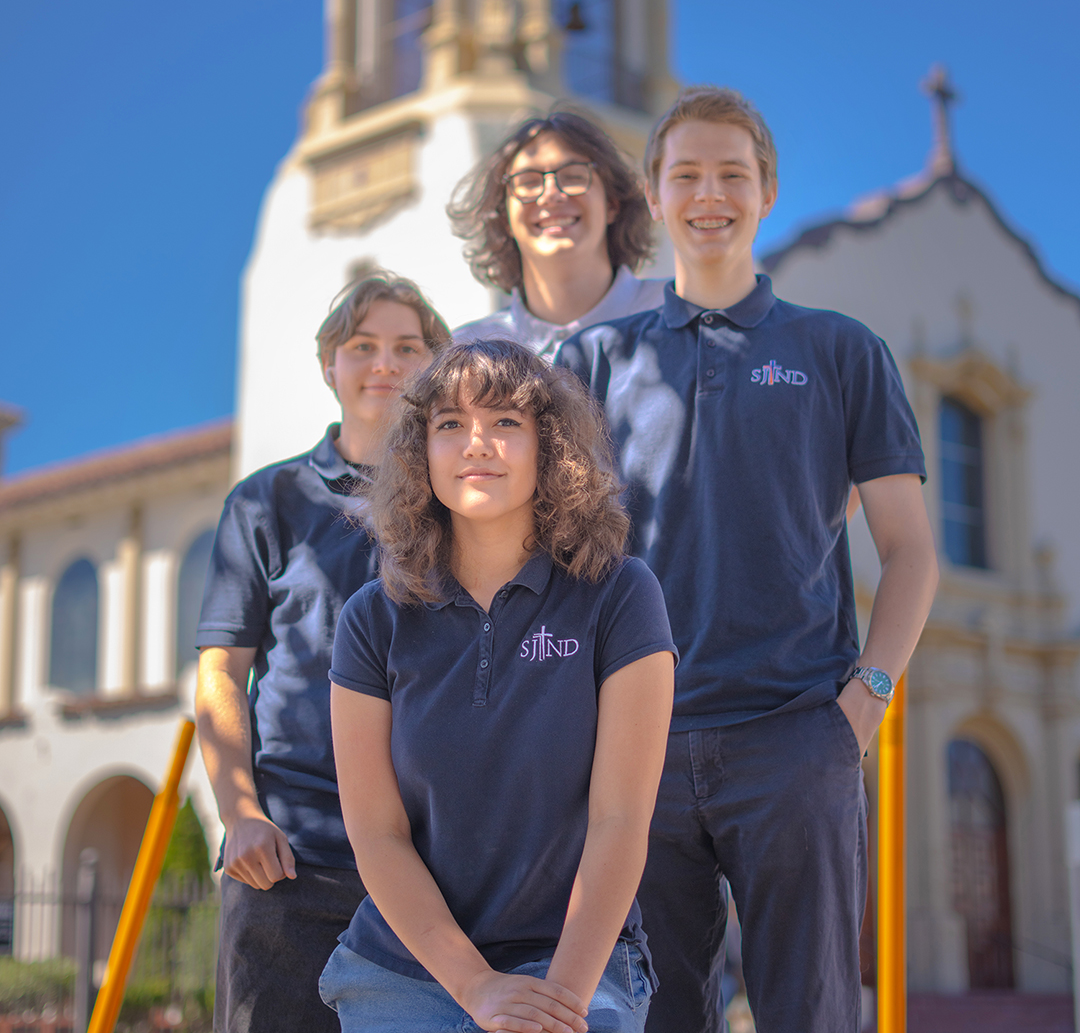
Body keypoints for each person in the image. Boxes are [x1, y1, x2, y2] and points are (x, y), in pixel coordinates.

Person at [556, 87, 940, 1033]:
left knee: (810, 1013)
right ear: (652, 195)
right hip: (636, 755)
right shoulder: (594, 362)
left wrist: (865, 702)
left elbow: (911, 552)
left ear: (767, 191)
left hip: (796, 739)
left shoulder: (843, 351)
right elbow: (559, 561)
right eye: (686, 173)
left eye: (733, 173)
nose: (709, 193)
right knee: (652, 1017)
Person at [320, 339, 677, 1033]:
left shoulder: (621, 596)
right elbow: (377, 833)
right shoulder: (371, 618)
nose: (475, 444)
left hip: (578, 964)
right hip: (406, 967)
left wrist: (558, 1007)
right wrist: (478, 988)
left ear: (551, 446)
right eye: (450, 424)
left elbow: (619, 822)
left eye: (506, 422)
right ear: (421, 452)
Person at [194, 272, 451, 1033]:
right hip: (290, 861)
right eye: (362, 345)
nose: (384, 363)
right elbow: (220, 676)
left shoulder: (460, 509)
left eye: (408, 347)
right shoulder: (265, 503)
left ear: (435, 365)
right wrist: (239, 813)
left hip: (431, 864)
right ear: (328, 366)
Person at [449, 111, 668, 356]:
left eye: (574, 176)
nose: (551, 194)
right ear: (504, 218)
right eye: (528, 182)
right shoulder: (467, 353)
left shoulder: (679, 314)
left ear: (612, 204)